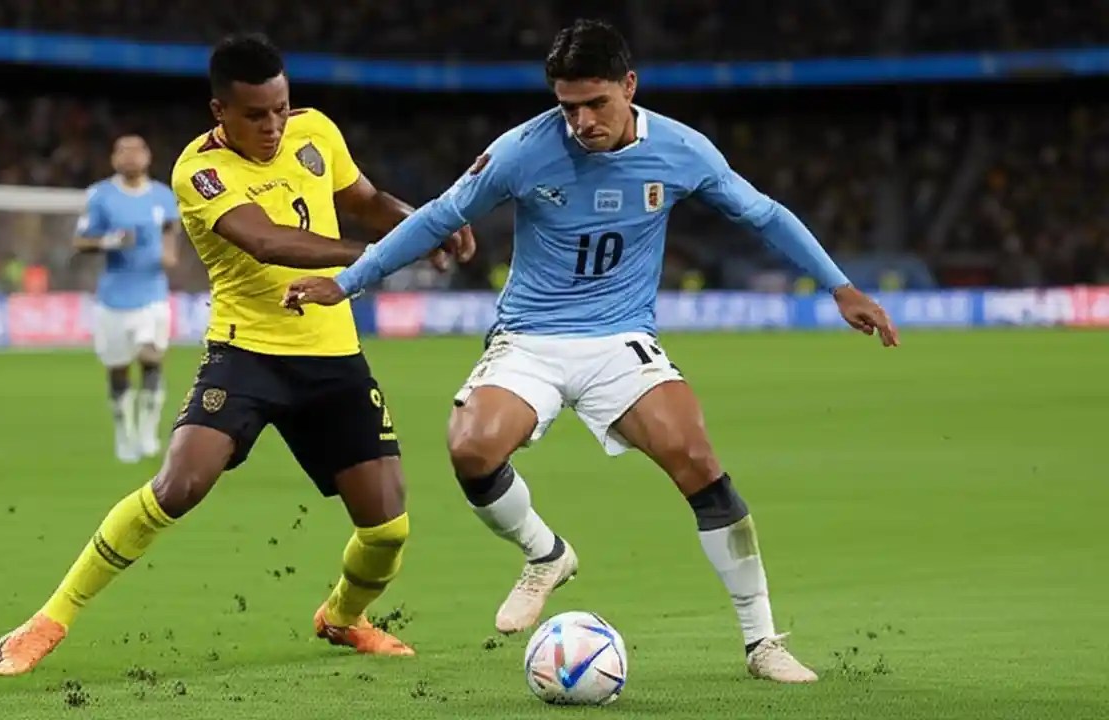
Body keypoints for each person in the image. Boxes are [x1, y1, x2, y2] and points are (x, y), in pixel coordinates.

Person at [284, 19, 899, 684]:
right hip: (530, 338)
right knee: (470, 448)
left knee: (695, 458)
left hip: (620, 341)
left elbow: (766, 214)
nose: (579, 121)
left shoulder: (682, 151)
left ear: (629, 87)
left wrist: (840, 287)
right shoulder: (522, 151)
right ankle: (545, 554)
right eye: (566, 106)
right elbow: (439, 216)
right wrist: (348, 283)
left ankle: (762, 642)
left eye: (595, 104)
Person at [0, 33, 473, 676]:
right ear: (220, 112)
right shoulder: (197, 171)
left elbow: (367, 202)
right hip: (247, 354)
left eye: (281, 108)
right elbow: (267, 242)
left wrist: (424, 221)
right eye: (255, 115)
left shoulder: (316, 133)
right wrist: (379, 255)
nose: (273, 126)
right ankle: (50, 619)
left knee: (387, 530)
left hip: (333, 355)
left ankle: (343, 618)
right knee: (180, 484)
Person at [74, 135, 181, 463]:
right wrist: (110, 241)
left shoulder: (164, 197)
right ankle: (125, 431)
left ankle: (149, 430)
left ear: (148, 156)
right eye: (123, 150)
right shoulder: (100, 195)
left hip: (152, 295)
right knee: (118, 370)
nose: (130, 156)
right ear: (113, 158)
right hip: (113, 298)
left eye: (136, 150)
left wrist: (168, 256)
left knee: (151, 357)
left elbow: (170, 238)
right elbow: (81, 241)